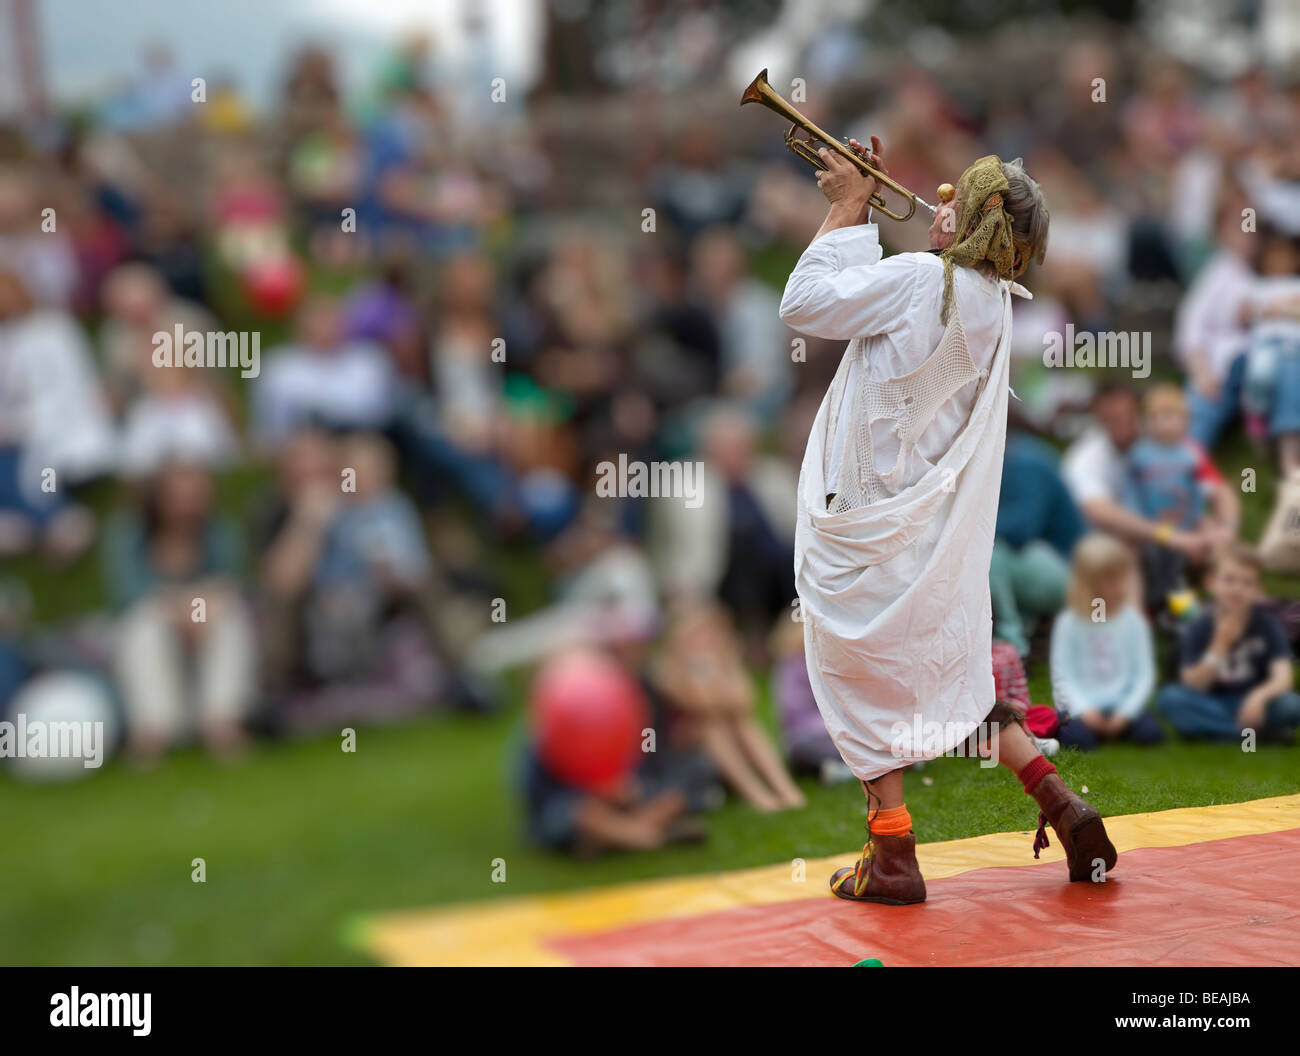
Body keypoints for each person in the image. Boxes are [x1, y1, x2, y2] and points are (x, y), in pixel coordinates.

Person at [783, 138, 1114, 904]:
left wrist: (846, 205)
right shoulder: (996, 303)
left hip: (863, 521)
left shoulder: (915, 282)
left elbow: (801, 305)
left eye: (951, 201)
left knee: (855, 673)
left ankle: (892, 853)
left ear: (970, 226)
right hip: (928, 529)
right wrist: (870, 213)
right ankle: (1061, 804)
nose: (934, 201)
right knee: (953, 678)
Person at [1158, 542, 1299, 741]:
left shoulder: (1268, 624)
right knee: (1170, 698)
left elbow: (1283, 678)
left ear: (1258, 589)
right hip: (1211, 700)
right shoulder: (1199, 625)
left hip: (1254, 700)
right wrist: (1220, 644)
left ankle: (1212, 731)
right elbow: (1192, 683)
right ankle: (1252, 735)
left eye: (1247, 583)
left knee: (1291, 705)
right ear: (1211, 583)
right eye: (1229, 580)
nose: (1237, 589)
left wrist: (1258, 697)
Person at [1123, 384, 1239, 612]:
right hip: (1152, 527)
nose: (1171, 424)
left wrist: (1217, 524)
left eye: (1178, 418)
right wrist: (1139, 524)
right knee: (1156, 559)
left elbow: (1210, 489)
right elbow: (1131, 493)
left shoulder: (1192, 454)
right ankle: (1160, 605)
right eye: (1164, 417)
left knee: (1177, 565)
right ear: (1148, 421)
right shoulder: (1138, 454)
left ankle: (1182, 607)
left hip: (1186, 526)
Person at [1050, 535, 1164, 749]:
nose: (1119, 585)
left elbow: (1143, 674)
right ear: (1089, 583)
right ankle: (1082, 728)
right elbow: (1063, 674)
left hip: (1120, 703)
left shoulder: (1133, 622)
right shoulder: (1069, 623)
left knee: (1151, 735)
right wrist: (1083, 710)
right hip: (1082, 706)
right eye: (1110, 580)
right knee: (1080, 741)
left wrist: (1125, 713)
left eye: (1122, 578)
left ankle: (1119, 727)